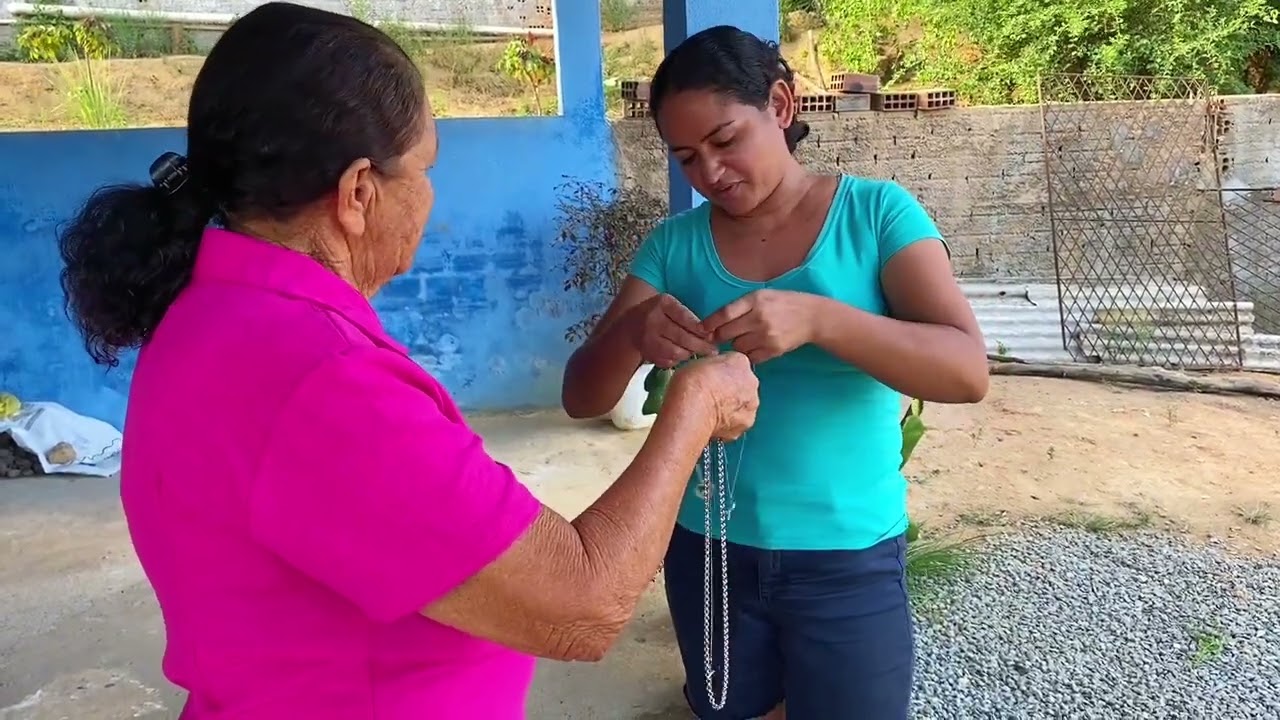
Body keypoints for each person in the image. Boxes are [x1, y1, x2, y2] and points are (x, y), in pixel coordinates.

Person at [56, 4, 759, 719]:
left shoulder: (210, 314)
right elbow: (583, 604)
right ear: (359, 193)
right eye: (425, 169)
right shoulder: (323, 380)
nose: (429, 194)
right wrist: (696, 404)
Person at [561, 25, 989, 720]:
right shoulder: (674, 247)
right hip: (709, 551)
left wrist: (822, 320)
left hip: (847, 556)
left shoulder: (876, 216)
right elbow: (582, 396)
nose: (710, 172)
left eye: (725, 140)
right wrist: (635, 334)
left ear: (782, 106)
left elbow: (967, 371)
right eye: (686, 157)